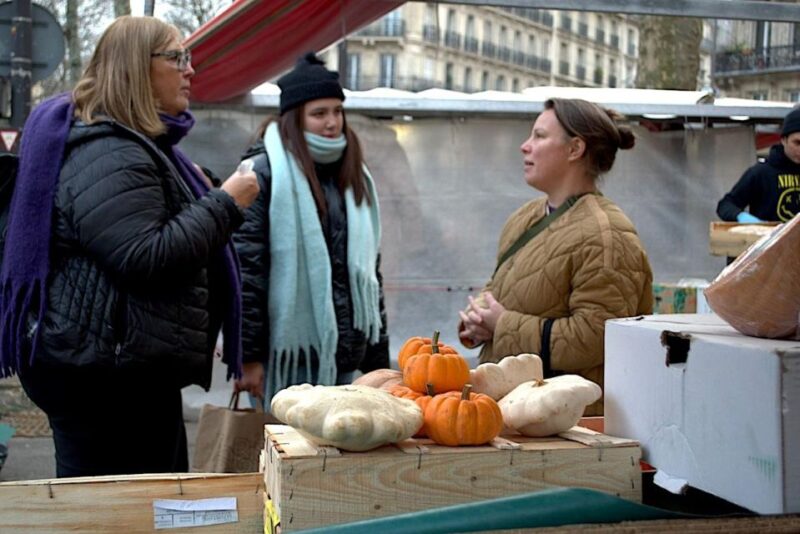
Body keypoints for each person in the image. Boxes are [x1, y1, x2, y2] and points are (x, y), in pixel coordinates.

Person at [1, 16, 259, 477]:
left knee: (146, 505)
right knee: (121, 509)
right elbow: (144, 256)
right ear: (135, 67)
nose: (190, 69)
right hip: (107, 385)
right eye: (176, 57)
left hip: (123, 371)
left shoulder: (133, 146)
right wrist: (226, 204)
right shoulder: (109, 150)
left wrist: (203, 194)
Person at [458, 98, 653, 415]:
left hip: (570, 422)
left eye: (539, 136)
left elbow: (595, 337)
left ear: (575, 149)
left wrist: (503, 325)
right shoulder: (525, 217)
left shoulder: (608, 235)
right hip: (511, 411)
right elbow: (502, 286)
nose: (525, 146)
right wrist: (477, 320)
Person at [232, 53, 389, 410]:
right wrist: (248, 357)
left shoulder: (353, 175)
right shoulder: (262, 172)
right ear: (295, 117)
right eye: (319, 113)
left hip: (345, 360)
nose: (332, 122)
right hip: (286, 362)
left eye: (338, 111)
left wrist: (378, 363)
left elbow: (369, 276)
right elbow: (247, 272)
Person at [717, 106, 800, 224]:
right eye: (797, 143)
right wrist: (740, 216)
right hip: (767, 235)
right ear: (783, 140)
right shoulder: (760, 173)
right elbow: (726, 205)